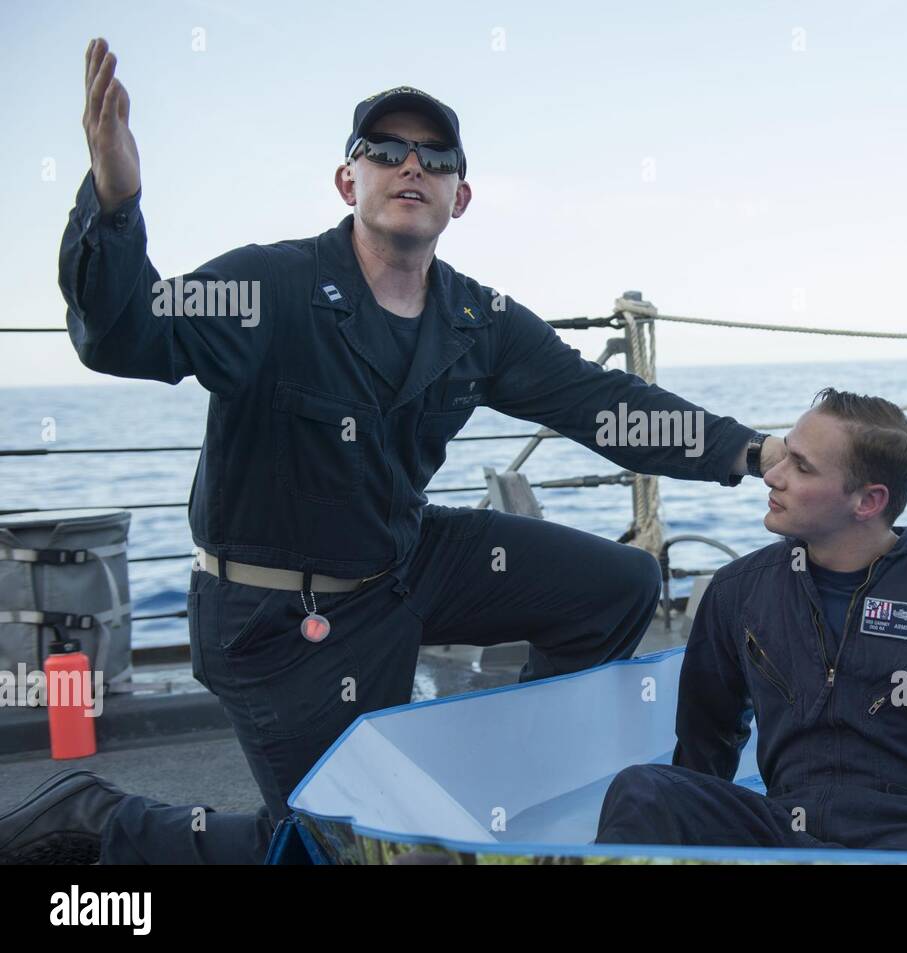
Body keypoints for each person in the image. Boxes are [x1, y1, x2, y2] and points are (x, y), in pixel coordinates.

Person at [0, 38, 786, 865]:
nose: (410, 164)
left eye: (435, 156)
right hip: (275, 614)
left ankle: (494, 786)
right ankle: (101, 818)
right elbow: (126, 333)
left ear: (461, 194)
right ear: (350, 180)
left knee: (618, 583)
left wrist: (753, 450)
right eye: (384, 150)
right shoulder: (267, 286)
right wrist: (115, 206)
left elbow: (605, 406)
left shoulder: (477, 319)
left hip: (403, 562)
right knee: (338, 849)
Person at [595, 389, 907, 855]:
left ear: (868, 501)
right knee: (643, 790)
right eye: (784, 455)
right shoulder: (739, 593)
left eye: (801, 466)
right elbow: (702, 758)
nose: (772, 475)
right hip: (784, 837)